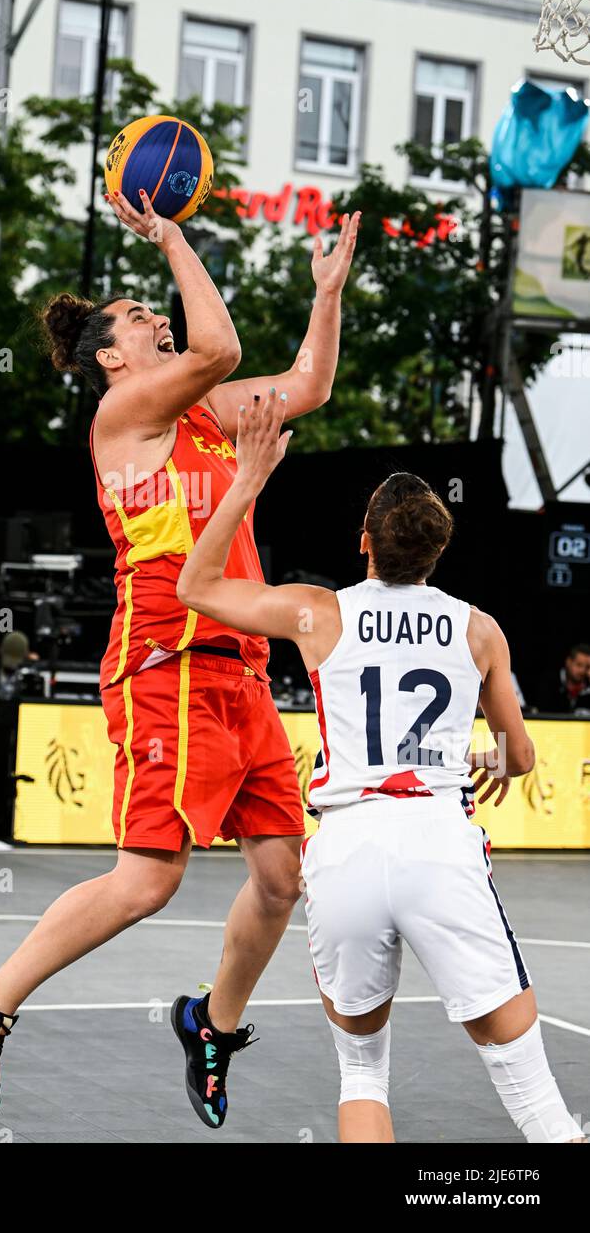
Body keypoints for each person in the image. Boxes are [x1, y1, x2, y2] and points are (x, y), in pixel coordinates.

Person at [0, 186, 360, 1121]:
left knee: (282, 877)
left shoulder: (206, 412)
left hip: (242, 668)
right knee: (149, 880)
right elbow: (219, 344)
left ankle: (211, 1022)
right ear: (109, 357)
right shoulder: (124, 416)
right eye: (137, 317)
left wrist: (326, 293)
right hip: (165, 662)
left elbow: (308, 386)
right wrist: (171, 231)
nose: (155, 322)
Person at [176, 391, 585, 1144]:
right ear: (438, 551)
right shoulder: (480, 629)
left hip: (347, 844)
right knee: (526, 1080)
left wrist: (247, 480)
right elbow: (521, 756)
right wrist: (496, 755)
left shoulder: (317, 612)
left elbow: (195, 587)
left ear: (363, 540)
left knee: (363, 1072)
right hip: (436, 836)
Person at [532, 643, 590, 716]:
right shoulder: (550, 683)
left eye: (587, 667)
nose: (582, 670)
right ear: (568, 661)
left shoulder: (588, 688)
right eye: (579, 665)